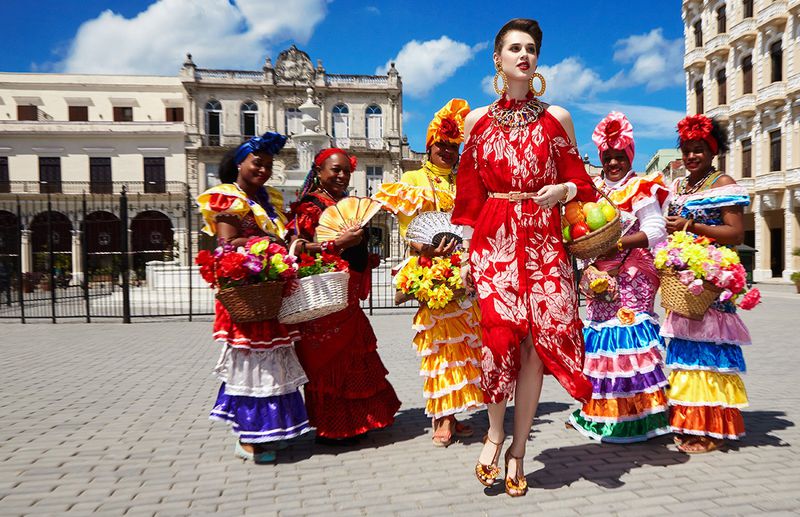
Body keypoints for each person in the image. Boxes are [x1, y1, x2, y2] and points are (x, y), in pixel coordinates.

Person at [452, 18, 596, 496]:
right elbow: (467, 197)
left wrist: (564, 187)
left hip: (542, 240)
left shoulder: (557, 117)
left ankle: (518, 450)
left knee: (535, 350)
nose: (524, 55)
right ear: (497, 59)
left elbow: (585, 185)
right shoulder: (476, 121)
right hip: (494, 240)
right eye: (514, 47)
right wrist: (457, 252)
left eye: (531, 48)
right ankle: (494, 434)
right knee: (498, 341)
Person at [374, 99, 484, 447]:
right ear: (429, 145)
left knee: (463, 349)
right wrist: (425, 249)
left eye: (454, 147)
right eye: (443, 146)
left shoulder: (464, 182)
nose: (448, 153)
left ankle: (455, 411)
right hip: (430, 272)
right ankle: (443, 418)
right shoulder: (413, 179)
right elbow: (410, 230)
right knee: (439, 347)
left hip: (462, 272)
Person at [197, 132, 311, 462]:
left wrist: (288, 245)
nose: (263, 170)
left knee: (272, 364)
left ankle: (270, 432)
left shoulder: (267, 201)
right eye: (257, 163)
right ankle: (247, 438)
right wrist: (263, 244)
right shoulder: (227, 198)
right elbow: (225, 246)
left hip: (269, 290)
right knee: (252, 365)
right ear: (239, 163)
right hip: (248, 290)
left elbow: (278, 238)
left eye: (268, 165)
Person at [566, 112, 671, 443]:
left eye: (618, 157)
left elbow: (655, 231)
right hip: (600, 277)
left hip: (634, 273)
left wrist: (616, 241)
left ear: (630, 156)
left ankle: (638, 416)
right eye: (607, 157)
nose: (612, 163)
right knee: (603, 344)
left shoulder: (641, 187)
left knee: (628, 341)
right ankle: (601, 410)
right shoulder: (593, 191)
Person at [287, 148, 401, 445]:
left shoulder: (343, 205)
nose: (340, 175)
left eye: (345, 171)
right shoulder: (309, 207)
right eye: (334, 170)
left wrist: (364, 257)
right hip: (324, 294)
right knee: (329, 360)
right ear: (319, 171)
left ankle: (361, 420)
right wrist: (338, 243)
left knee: (355, 354)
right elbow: (297, 247)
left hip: (346, 293)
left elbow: (351, 249)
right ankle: (333, 427)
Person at [662, 114, 751, 453]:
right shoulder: (682, 186)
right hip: (684, 281)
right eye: (686, 150)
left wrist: (691, 228)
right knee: (686, 358)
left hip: (711, 285)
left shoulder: (721, 182)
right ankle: (688, 421)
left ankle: (710, 429)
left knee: (708, 358)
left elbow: (735, 233)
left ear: (713, 151)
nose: (691, 156)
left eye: (699, 150)